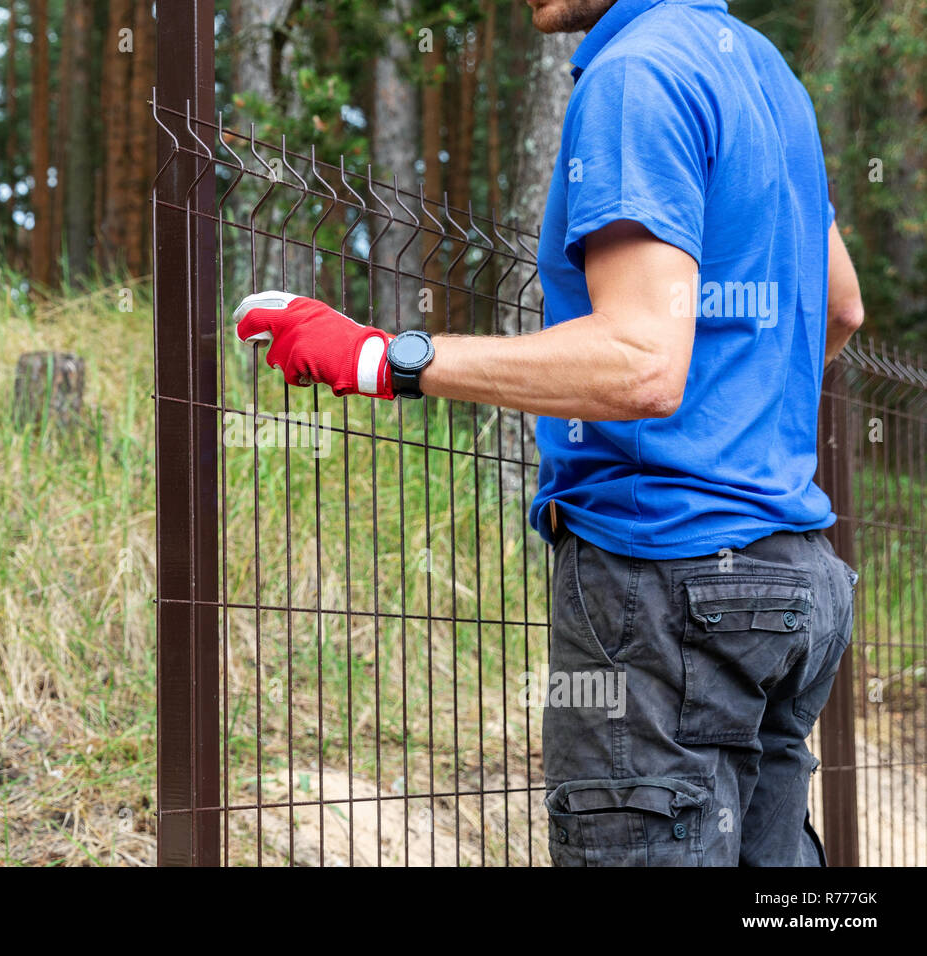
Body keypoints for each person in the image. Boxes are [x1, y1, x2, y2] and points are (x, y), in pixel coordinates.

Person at [232, 0, 864, 866]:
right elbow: (840, 308)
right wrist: (735, 421)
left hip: (664, 577)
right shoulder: (770, 78)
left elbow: (642, 361)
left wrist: (382, 356)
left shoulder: (636, 73)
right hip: (793, 577)